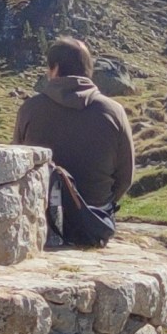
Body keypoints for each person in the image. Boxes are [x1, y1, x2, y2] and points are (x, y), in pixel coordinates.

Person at [13, 38, 135, 244]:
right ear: (88, 70)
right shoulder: (114, 111)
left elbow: (17, 166)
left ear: (55, 68)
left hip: (41, 222)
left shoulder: (30, 109)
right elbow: (125, 178)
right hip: (94, 222)